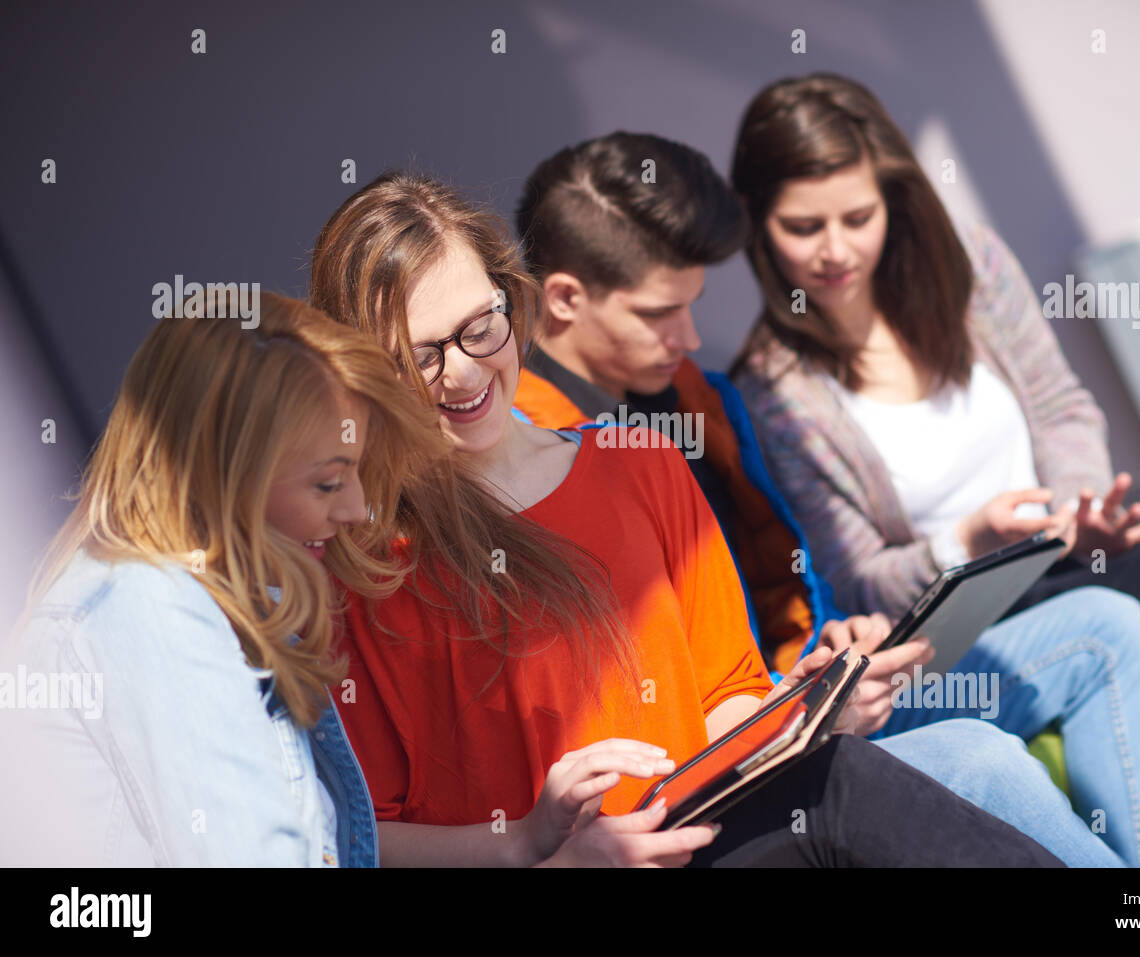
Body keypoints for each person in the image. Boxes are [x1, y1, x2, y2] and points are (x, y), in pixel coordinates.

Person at [307, 169, 1139, 867]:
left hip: (710, 820)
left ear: (509, 302)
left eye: (477, 328)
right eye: (418, 355)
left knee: (982, 757)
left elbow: (724, 702)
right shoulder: (364, 561)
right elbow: (360, 831)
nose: (461, 373)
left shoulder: (638, 458)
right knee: (864, 782)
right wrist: (530, 846)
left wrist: (812, 711)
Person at [509, 131, 1140, 867]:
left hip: (811, 695)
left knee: (1107, 626)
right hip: (738, 752)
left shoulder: (702, 401)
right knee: (980, 757)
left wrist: (837, 641)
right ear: (565, 298)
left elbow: (786, 579)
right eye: (659, 313)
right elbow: (641, 702)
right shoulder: (540, 464)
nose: (690, 336)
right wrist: (794, 704)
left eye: (692, 305)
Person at [727, 71, 1140, 867]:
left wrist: (1075, 509)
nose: (835, 250)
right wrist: (965, 539)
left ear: (892, 195)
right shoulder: (773, 391)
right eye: (803, 226)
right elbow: (856, 581)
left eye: (858, 217)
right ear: (758, 226)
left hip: (1058, 554)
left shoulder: (970, 267)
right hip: (968, 616)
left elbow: (1063, 406)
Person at [0, 292, 688, 868]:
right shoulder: (154, 612)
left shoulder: (191, 599)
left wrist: (524, 842)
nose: (357, 508)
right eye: (328, 481)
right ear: (228, 479)